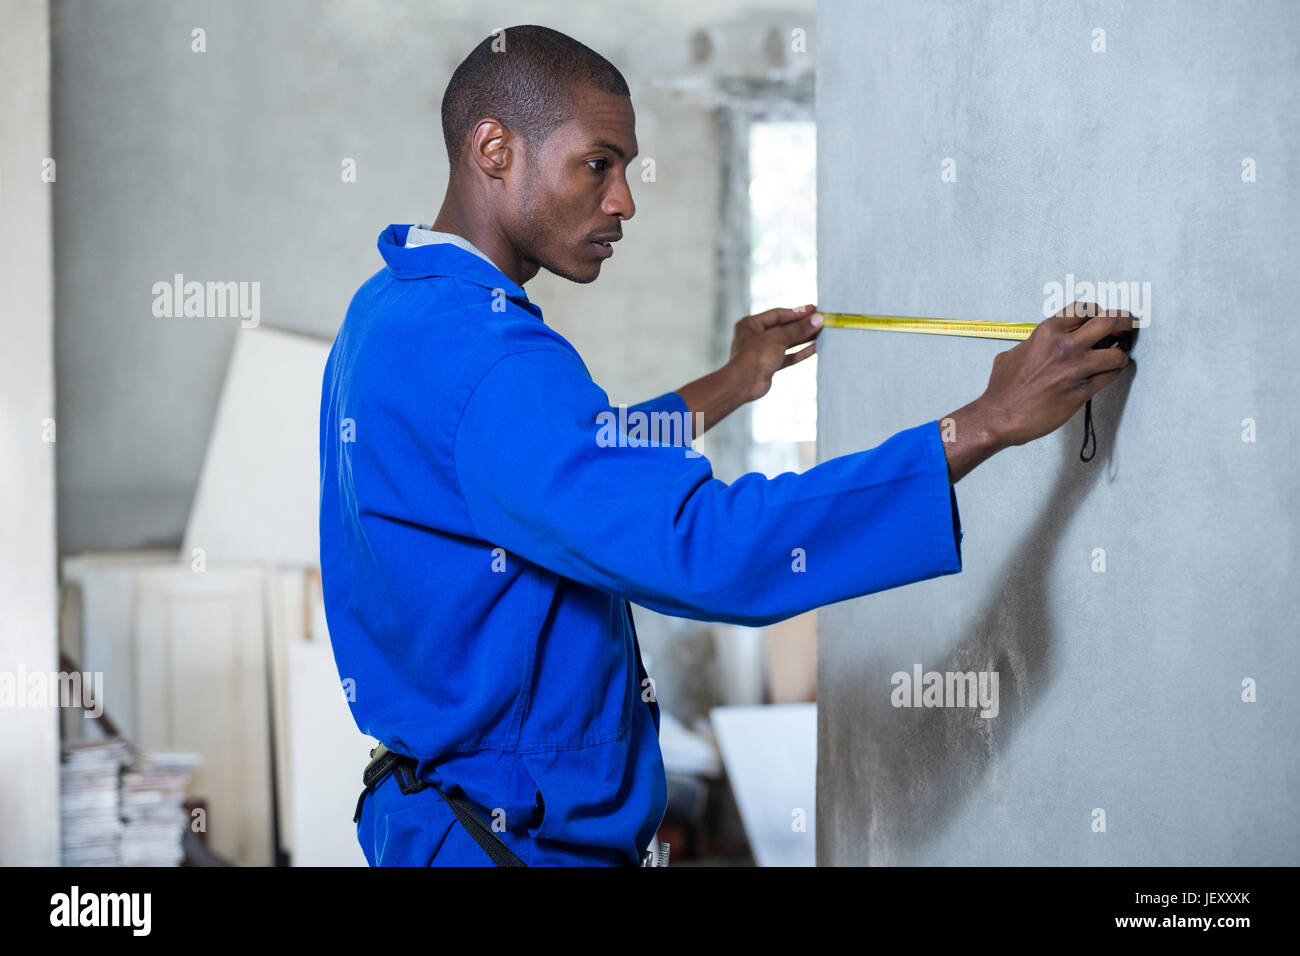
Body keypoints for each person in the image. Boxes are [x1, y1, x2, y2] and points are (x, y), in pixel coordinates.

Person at [318, 25, 1132, 867]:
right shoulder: (490, 358)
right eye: (599, 163)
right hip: (508, 840)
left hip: (434, 821)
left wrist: (734, 380)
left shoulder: (391, 310)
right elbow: (705, 549)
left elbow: (561, 477)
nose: (625, 199)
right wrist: (987, 420)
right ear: (495, 149)